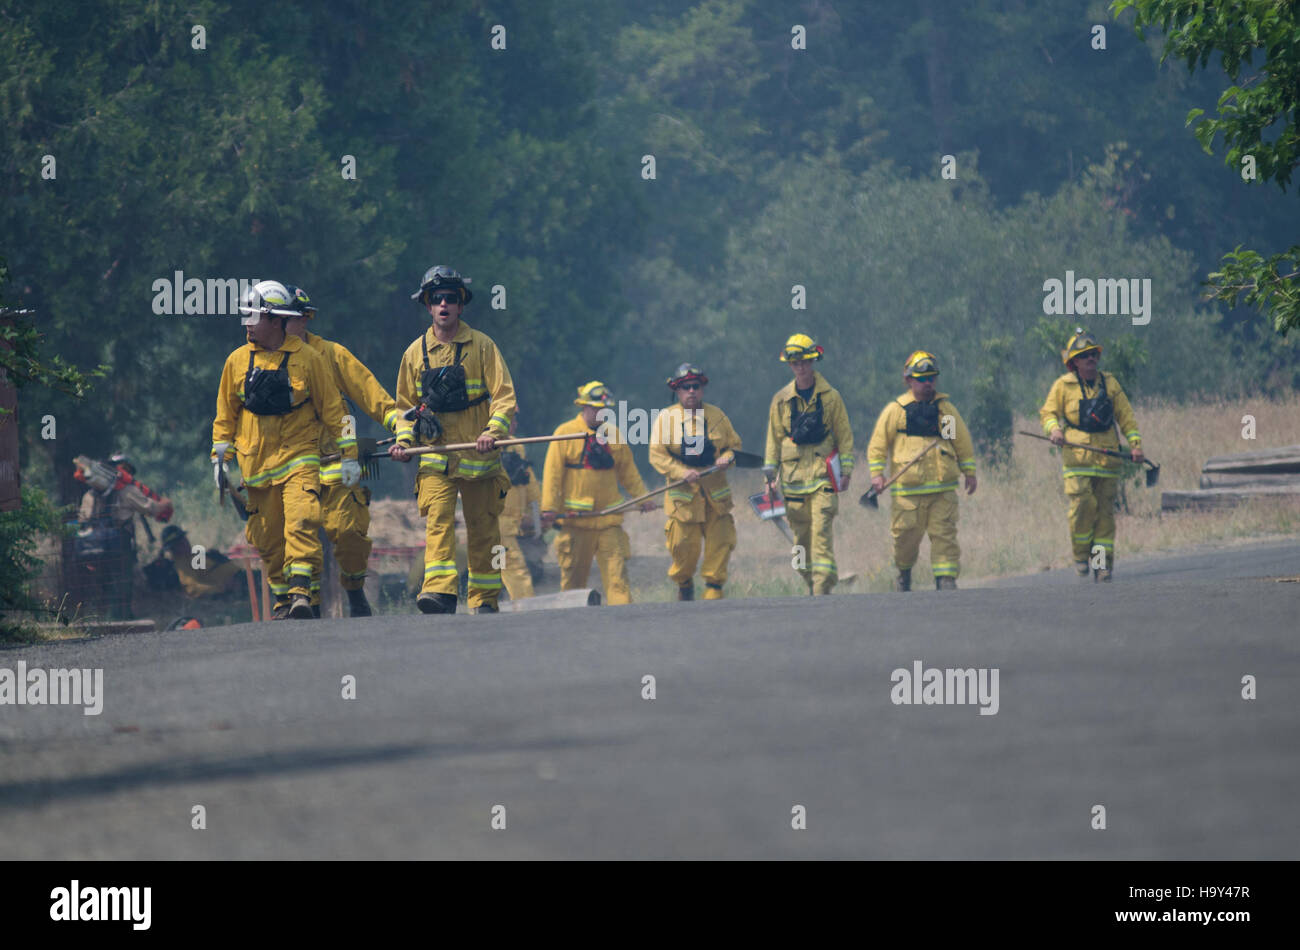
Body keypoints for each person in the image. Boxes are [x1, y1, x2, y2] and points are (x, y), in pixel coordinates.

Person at [212, 279, 353, 620]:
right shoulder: (236, 361)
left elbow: (334, 409)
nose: (247, 323)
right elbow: (225, 416)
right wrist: (220, 460)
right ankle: (282, 599)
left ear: (275, 320)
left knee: (303, 518)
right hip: (256, 467)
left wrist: (349, 454)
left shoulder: (308, 358)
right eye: (245, 315)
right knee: (267, 538)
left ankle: (302, 590)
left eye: (254, 316)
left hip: (299, 457)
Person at [389, 265, 516, 615]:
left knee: (483, 530)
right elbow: (404, 408)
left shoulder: (483, 347)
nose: (443, 304)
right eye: (436, 299)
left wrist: (493, 432)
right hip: (436, 457)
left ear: (461, 306)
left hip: (479, 458)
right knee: (439, 520)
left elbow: (504, 396)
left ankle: (484, 599)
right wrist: (403, 442)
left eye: (450, 298)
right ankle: (440, 593)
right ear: (428, 306)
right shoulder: (414, 354)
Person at [284, 284, 398, 617]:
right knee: (300, 533)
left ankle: (353, 589)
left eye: (288, 319)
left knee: (349, 534)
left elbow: (370, 393)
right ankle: (306, 602)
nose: (279, 326)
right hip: (292, 467)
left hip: (339, 463)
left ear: (305, 321)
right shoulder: (264, 362)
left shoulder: (332, 355)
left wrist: (400, 427)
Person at [1038, 328, 1144, 582]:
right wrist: (1054, 430)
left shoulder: (1110, 383)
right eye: (1085, 355)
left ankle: (1101, 566)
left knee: (1104, 515)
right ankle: (1080, 554)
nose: (1091, 359)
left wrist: (1135, 444)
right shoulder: (1062, 386)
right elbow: (1048, 413)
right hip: (1077, 459)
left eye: (1094, 354)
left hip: (1108, 459)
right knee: (1083, 507)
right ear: (1073, 361)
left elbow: (1126, 417)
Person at [867, 350, 977, 591]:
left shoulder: (945, 410)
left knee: (944, 536)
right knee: (905, 538)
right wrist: (877, 474)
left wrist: (969, 472)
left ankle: (946, 579)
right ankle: (904, 573)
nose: (928, 384)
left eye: (931, 378)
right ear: (908, 380)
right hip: (907, 493)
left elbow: (960, 442)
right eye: (922, 379)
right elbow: (878, 444)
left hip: (943, 491)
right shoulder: (896, 411)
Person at [541, 382, 654, 604]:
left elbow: (629, 473)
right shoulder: (564, 434)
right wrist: (548, 509)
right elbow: (552, 476)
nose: (600, 413)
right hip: (576, 524)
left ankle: (624, 628)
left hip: (608, 521)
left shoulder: (614, 435)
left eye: (604, 409)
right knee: (573, 585)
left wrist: (644, 499)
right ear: (583, 406)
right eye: (595, 408)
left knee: (618, 581)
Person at [763, 334, 855, 596]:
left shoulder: (831, 397)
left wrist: (846, 471)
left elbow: (844, 436)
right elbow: (773, 442)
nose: (800, 367)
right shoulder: (781, 400)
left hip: (823, 481)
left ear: (813, 361)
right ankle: (817, 580)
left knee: (821, 538)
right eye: (794, 362)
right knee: (800, 550)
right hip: (793, 486)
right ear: (789, 365)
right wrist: (770, 478)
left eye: (804, 361)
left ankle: (821, 589)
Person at [648, 363, 742, 600]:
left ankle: (714, 591)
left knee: (720, 545)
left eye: (695, 387)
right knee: (682, 549)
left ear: (702, 389)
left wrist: (726, 458)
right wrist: (681, 472)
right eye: (686, 387)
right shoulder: (665, 419)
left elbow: (734, 447)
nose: (691, 391)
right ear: (677, 391)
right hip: (684, 501)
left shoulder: (717, 416)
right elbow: (656, 455)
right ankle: (685, 585)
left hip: (716, 498)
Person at [498, 412, 542, 600]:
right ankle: (526, 611)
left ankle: (486, 612)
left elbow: (528, 481)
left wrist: (539, 510)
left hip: (510, 525)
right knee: (515, 568)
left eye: (515, 419)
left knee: (497, 567)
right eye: (510, 419)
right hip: (495, 524)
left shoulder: (516, 446)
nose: (514, 423)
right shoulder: (479, 446)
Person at [155, 524, 244, 598]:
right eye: (180, 542)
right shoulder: (181, 565)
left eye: (184, 539)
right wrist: (223, 587)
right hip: (236, 582)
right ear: (172, 548)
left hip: (239, 574)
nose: (185, 543)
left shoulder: (192, 556)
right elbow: (193, 589)